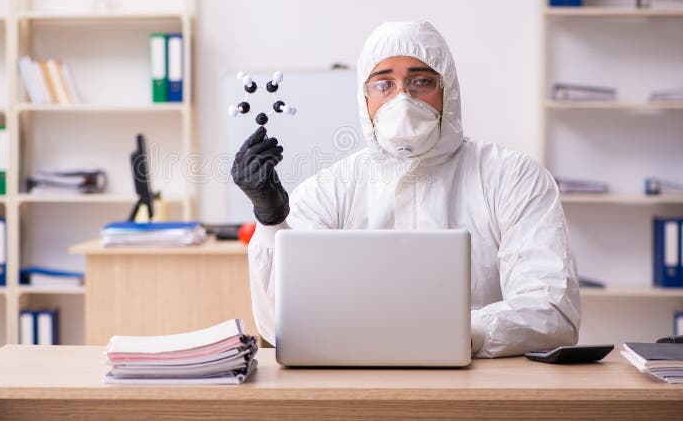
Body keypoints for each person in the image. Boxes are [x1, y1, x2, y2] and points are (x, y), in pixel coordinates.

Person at [231, 21, 581, 358]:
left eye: (420, 81)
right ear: (364, 98)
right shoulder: (332, 188)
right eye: (384, 84)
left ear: (448, 91)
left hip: (481, 391)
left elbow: (551, 312)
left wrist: (454, 334)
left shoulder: (513, 177)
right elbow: (282, 323)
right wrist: (271, 219)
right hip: (355, 391)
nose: (403, 99)